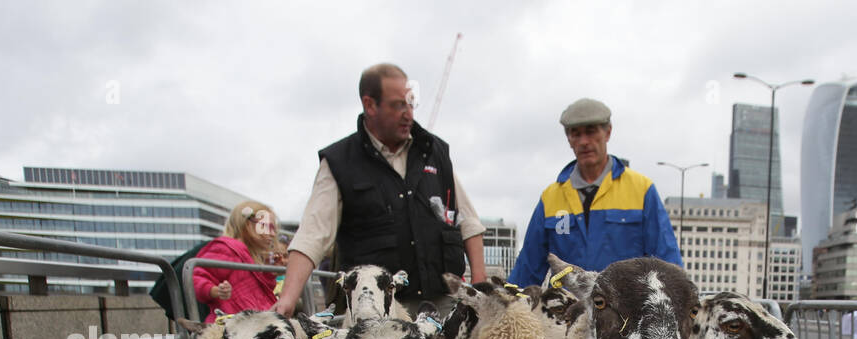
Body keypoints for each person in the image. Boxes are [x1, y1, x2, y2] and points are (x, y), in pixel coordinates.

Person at [275, 62, 486, 315]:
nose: (408, 114)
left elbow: (468, 221)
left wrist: (479, 287)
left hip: (439, 308)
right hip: (376, 313)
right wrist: (287, 300)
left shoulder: (434, 151)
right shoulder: (340, 161)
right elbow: (312, 234)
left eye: (411, 103)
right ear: (370, 105)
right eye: (398, 105)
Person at [507, 98, 681, 288]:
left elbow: (668, 267)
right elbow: (527, 270)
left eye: (591, 132)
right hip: (567, 313)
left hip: (624, 315)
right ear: (569, 139)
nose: (584, 142)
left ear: (608, 132)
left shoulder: (641, 190)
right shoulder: (551, 198)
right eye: (576, 134)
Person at [194, 201, 280, 323]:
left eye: (274, 229)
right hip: (233, 325)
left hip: (249, 322)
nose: (272, 234)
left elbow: (256, 289)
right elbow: (197, 277)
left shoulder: (248, 254)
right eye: (266, 227)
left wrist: (270, 273)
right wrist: (215, 290)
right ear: (248, 224)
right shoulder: (226, 248)